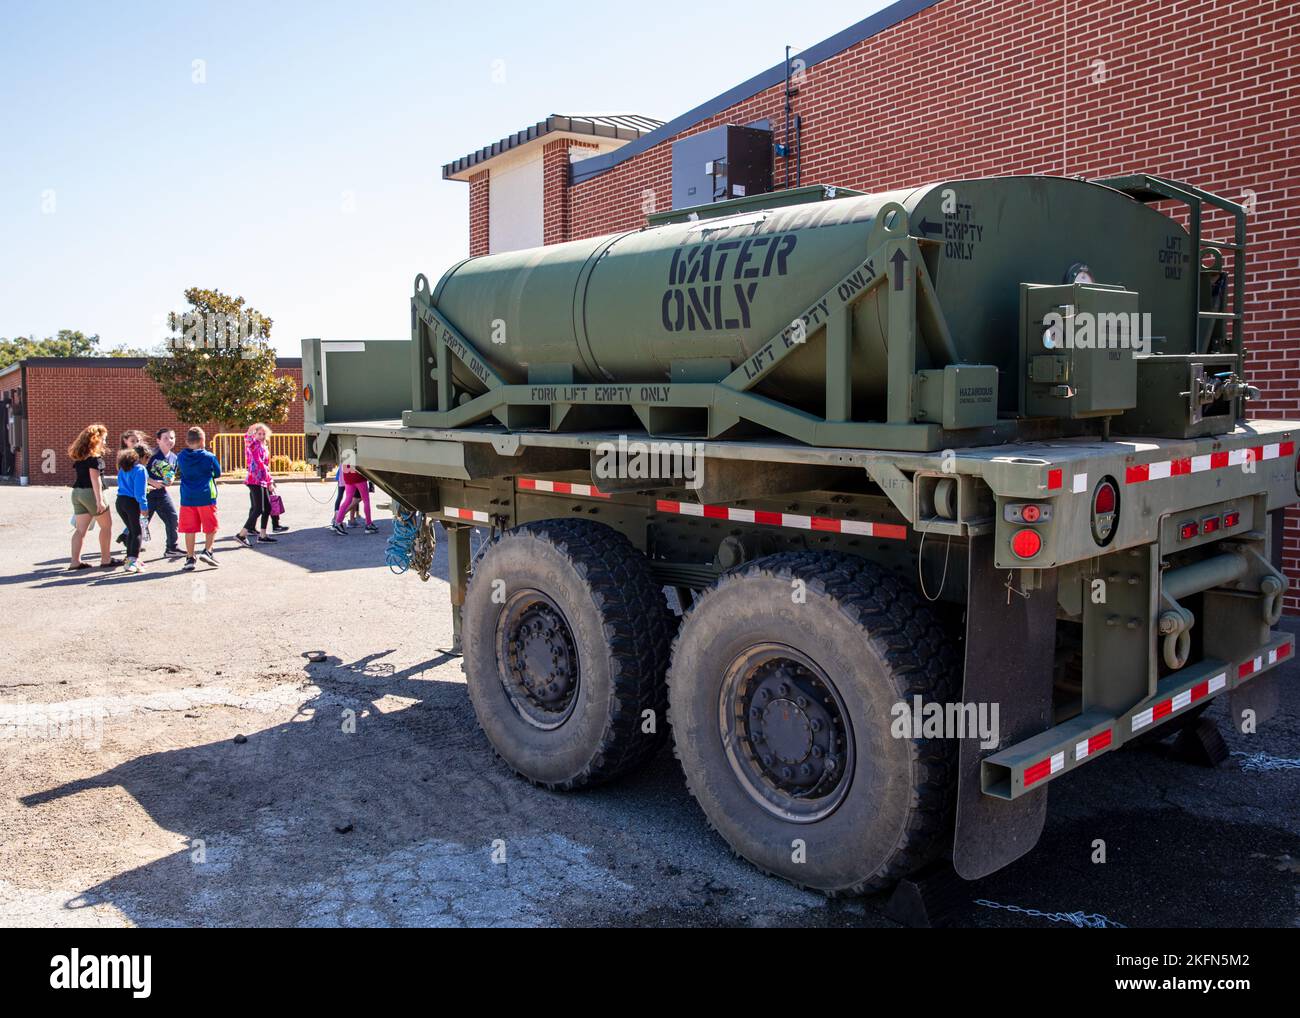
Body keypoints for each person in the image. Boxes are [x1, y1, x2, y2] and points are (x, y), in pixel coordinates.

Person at [67, 424, 120, 570]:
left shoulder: (80, 457)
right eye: (103, 439)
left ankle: (75, 562)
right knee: (106, 526)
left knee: (80, 529)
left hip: (77, 493)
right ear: (95, 440)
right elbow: (95, 479)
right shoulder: (95, 459)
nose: (105, 442)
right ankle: (106, 559)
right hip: (91, 493)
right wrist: (99, 500)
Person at [176, 426, 222, 569]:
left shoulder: (181, 456)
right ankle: (207, 551)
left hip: (187, 498)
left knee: (189, 529)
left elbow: (178, 471)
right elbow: (218, 473)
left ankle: (190, 557)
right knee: (211, 526)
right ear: (203, 440)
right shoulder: (209, 457)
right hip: (206, 496)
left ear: (187, 441)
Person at [236, 422, 277, 546]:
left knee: (268, 508)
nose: (262, 436)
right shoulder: (252, 444)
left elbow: (266, 465)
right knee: (258, 508)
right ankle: (242, 535)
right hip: (254, 480)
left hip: (263, 480)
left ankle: (263, 535)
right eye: (259, 433)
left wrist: (269, 480)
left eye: (264, 434)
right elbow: (259, 463)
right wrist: (255, 426)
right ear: (255, 434)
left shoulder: (264, 446)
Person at [145, 428, 183, 558]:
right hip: (147, 494)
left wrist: (171, 479)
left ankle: (172, 548)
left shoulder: (174, 457)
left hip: (162, 494)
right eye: (165, 438)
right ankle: (129, 544)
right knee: (142, 523)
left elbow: (170, 473)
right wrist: (152, 482)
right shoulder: (150, 455)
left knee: (172, 518)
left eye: (172, 438)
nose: (169, 441)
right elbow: (138, 472)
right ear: (158, 440)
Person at [115, 444, 150, 574]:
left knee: (131, 530)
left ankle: (130, 558)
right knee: (137, 531)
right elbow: (139, 493)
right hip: (132, 503)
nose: (147, 462)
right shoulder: (140, 469)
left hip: (120, 501)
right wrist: (144, 506)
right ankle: (132, 560)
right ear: (142, 457)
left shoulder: (124, 468)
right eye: (147, 458)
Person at [332, 463, 377, 534]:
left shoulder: (344, 451)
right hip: (359, 477)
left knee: (347, 500)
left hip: (347, 476)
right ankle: (369, 525)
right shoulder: (357, 451)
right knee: (366, 500)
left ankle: (337, 522)